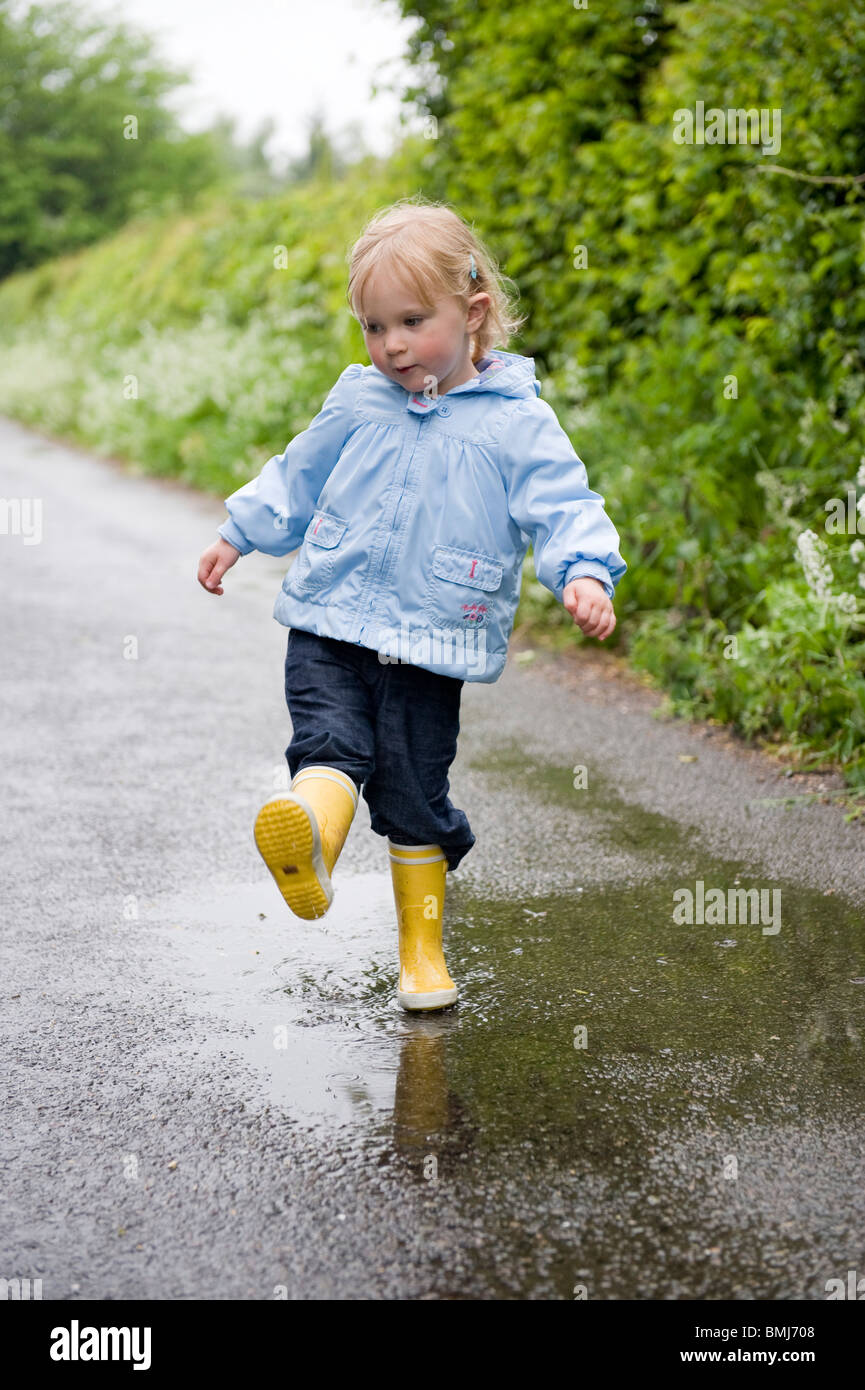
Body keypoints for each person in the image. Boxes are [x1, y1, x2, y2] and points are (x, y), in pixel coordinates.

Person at [197, 197, 626, 1013]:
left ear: (472, 315)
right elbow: (296, 474)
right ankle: (309, 849)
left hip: (434, 642)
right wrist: (239, 532)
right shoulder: (359, 401)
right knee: (326, 745)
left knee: (411, 796)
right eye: (372, 326)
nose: (390, 345)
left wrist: (583, 571)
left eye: (410, 321)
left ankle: (421, 956)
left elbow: (563, 502)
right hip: (329, 623)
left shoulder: (516, 424)